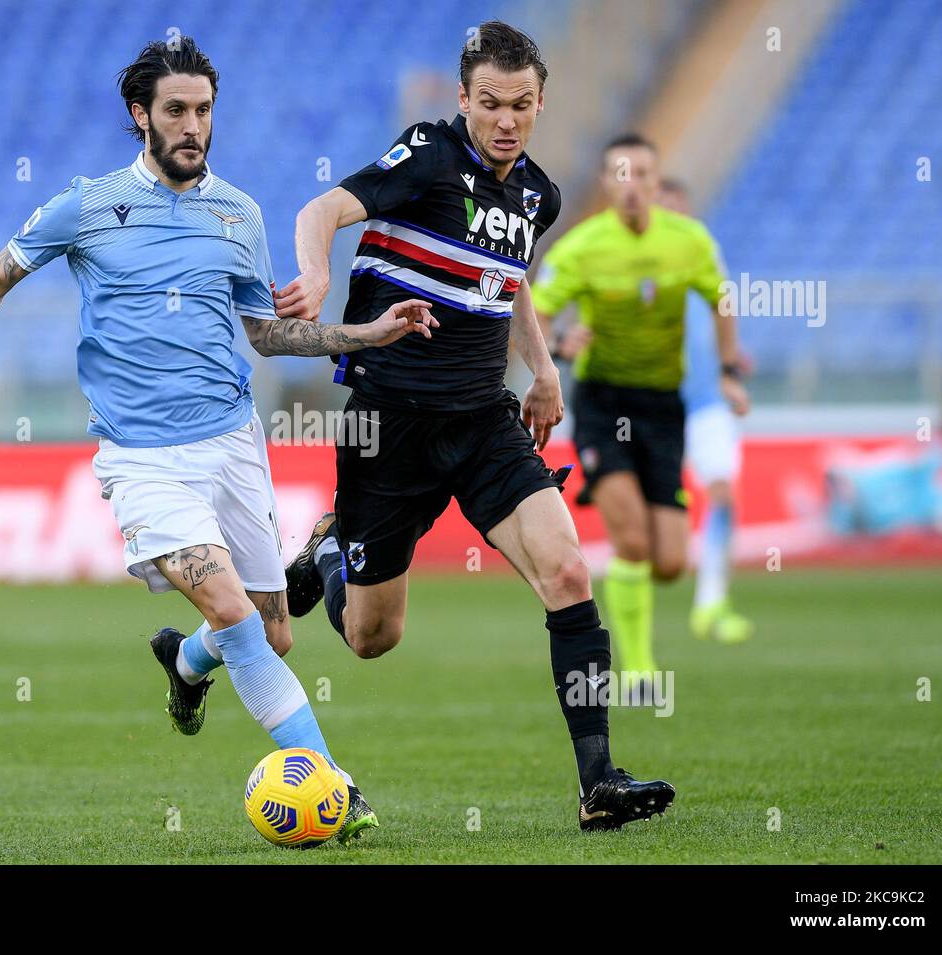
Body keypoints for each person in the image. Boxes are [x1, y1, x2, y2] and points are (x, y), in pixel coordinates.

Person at [0, 36, 437, 843]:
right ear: (140, 116)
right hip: (142, 458)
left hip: (233, 443)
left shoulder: (238, 213)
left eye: (204, 111)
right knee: (233, 611)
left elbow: (269, 335)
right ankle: (334, 787)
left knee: (273, 631)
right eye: (175, 110)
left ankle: (186, 664)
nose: (192, 126)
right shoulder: (86, 204)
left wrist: (366, 333)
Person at [274, 21, 674, 831]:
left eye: (521, 105)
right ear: (463, 99)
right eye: (489, 103)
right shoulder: (426, 153)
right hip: (388, 426)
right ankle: (329, 546)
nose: (505, 119)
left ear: (539, 103)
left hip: (483, 421)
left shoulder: (539, 195)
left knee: (568, 575)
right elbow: (322, 208)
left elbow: (511, 276)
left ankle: (597, 783)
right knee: (371, 637)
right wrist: (318, 269)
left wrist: (545, 369)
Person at [533, 134, 750, 687]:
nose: (632, 187)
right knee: (630, 540)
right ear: (607, 183)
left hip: (662, 406)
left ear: (658, 183)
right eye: (620, 175)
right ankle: (638, 667)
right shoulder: (583, 248)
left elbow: (722, 299)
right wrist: (558, 345)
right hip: (604, 403)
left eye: (643, 175)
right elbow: (532, 311)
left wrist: (728, 370)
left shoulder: (689, 241)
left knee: (671, 562)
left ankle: (647, 626)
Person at [658, 177, 753, 644]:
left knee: (723, 495)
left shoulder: (704, 257)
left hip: (705, 402)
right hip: (652, 406)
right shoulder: (636, 265)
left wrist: (729, 371)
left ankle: (713, 600)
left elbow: (721, 315)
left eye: (680, 209)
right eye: (664, 210)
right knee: (649, 515)